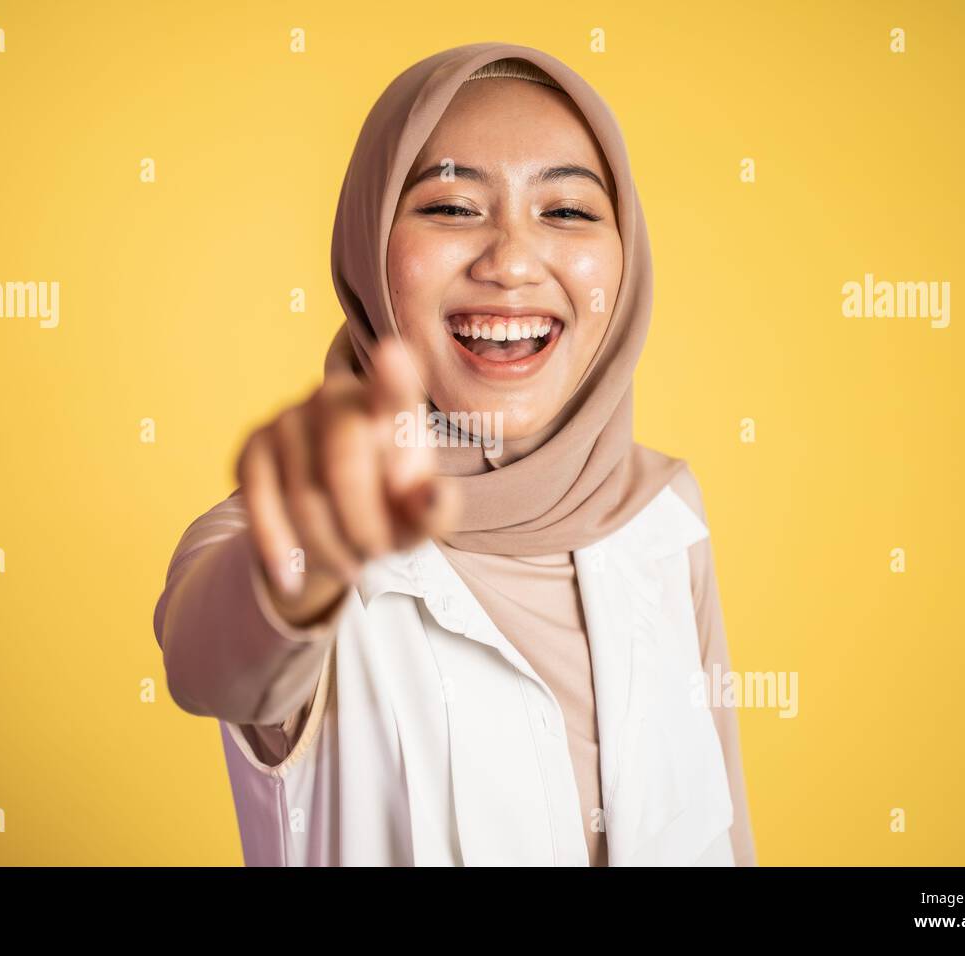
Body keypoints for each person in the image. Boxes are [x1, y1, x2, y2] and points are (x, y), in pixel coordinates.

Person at [153, 42, 756, 867]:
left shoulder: (662, 512)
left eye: (569, 212)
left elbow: (726, 834)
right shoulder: (293, 529)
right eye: (450, 207)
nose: (509, 260)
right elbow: (210, 665)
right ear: (369, 247)